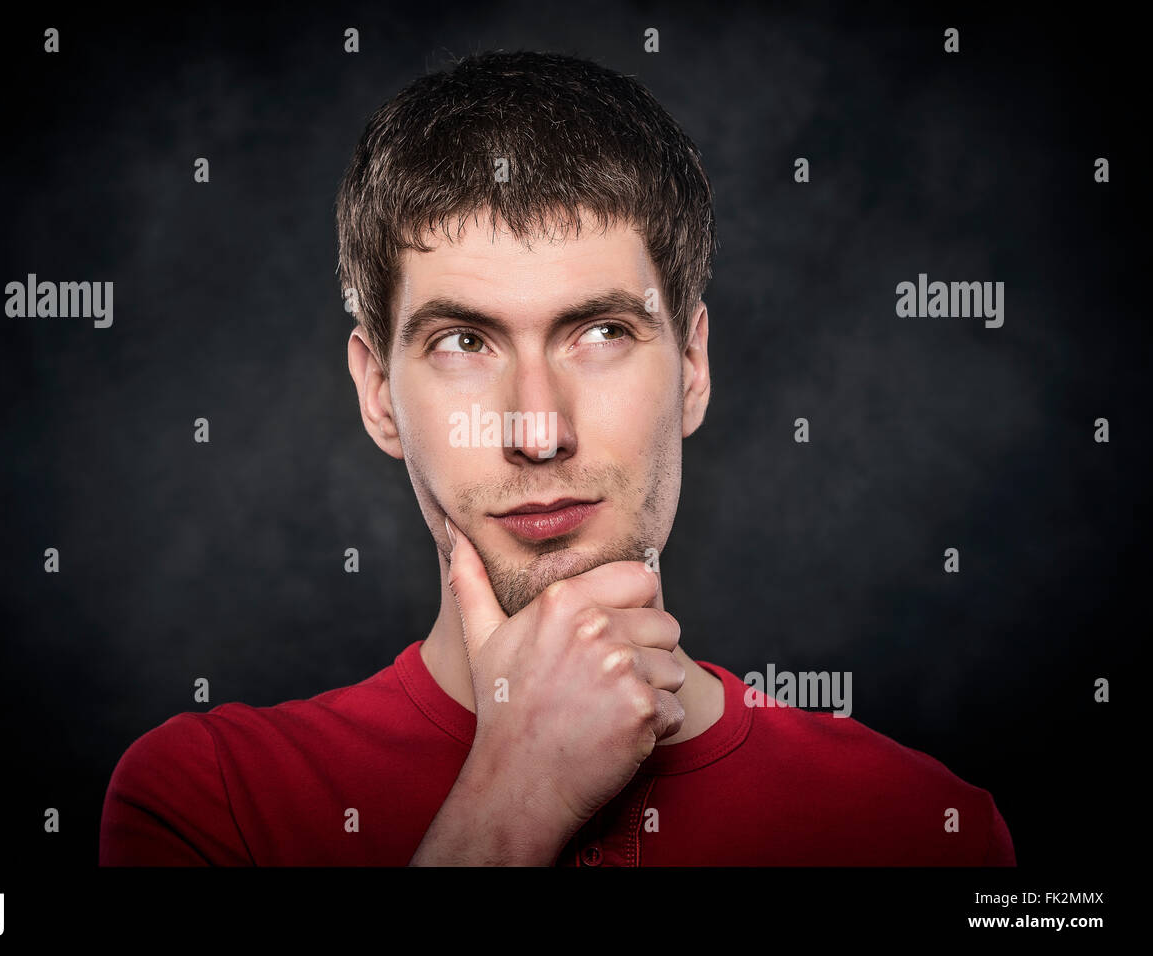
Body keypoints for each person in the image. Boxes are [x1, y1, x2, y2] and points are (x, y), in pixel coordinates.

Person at [100, 50, 1014, 866]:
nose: (539, 431)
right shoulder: (214, 802)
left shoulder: (919, 829)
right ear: (378, 392)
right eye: (464, 342)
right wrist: (513, 802)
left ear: (692, 367)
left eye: (602, 331)